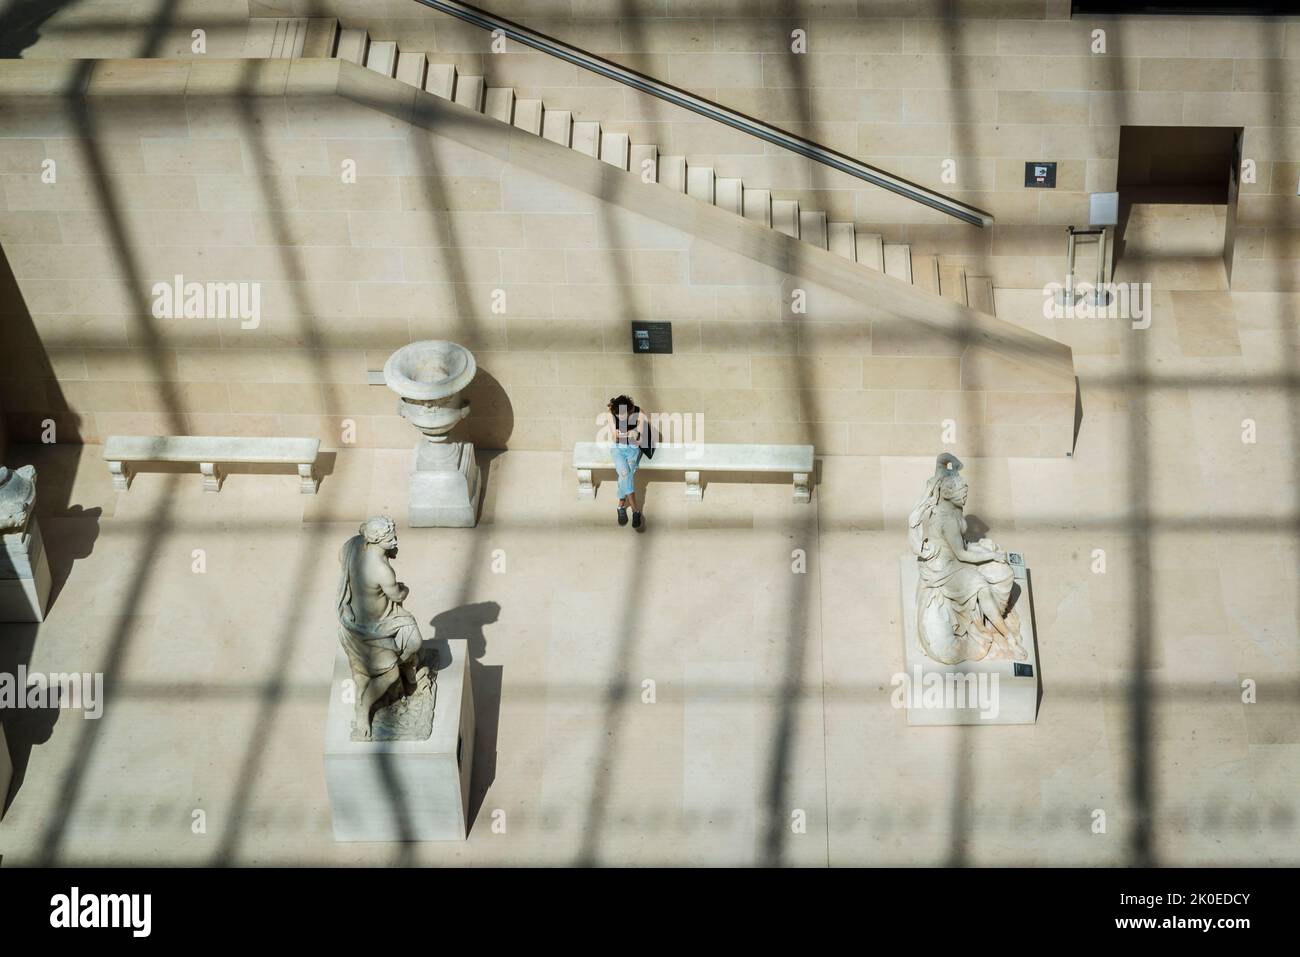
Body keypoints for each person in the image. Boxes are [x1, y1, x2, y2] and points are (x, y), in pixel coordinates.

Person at [336, 516, 428, 738]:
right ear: (376, 540)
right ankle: (363, 708)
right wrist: (405, 589)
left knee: (414, 640)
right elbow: (397, 594)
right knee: (389, 673)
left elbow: (341, 557)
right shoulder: (382, 571)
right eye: (390, 538)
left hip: (386, 616)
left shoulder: (352, 545)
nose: (396, 540)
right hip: (367, 628)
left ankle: (409, 670)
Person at [603, 395, 649, 529]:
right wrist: (617, 434)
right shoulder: (611, 413)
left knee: (625, 475)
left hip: (633, 449)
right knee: (625, 474)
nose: (620, 419)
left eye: (623, 416)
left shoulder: (639, 413)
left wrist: (634, 434)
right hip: (618, 449)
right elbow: (614, 438)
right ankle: (636, 510)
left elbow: (639, 439)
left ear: (630, 411)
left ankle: (620, 505)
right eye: (618, 416)